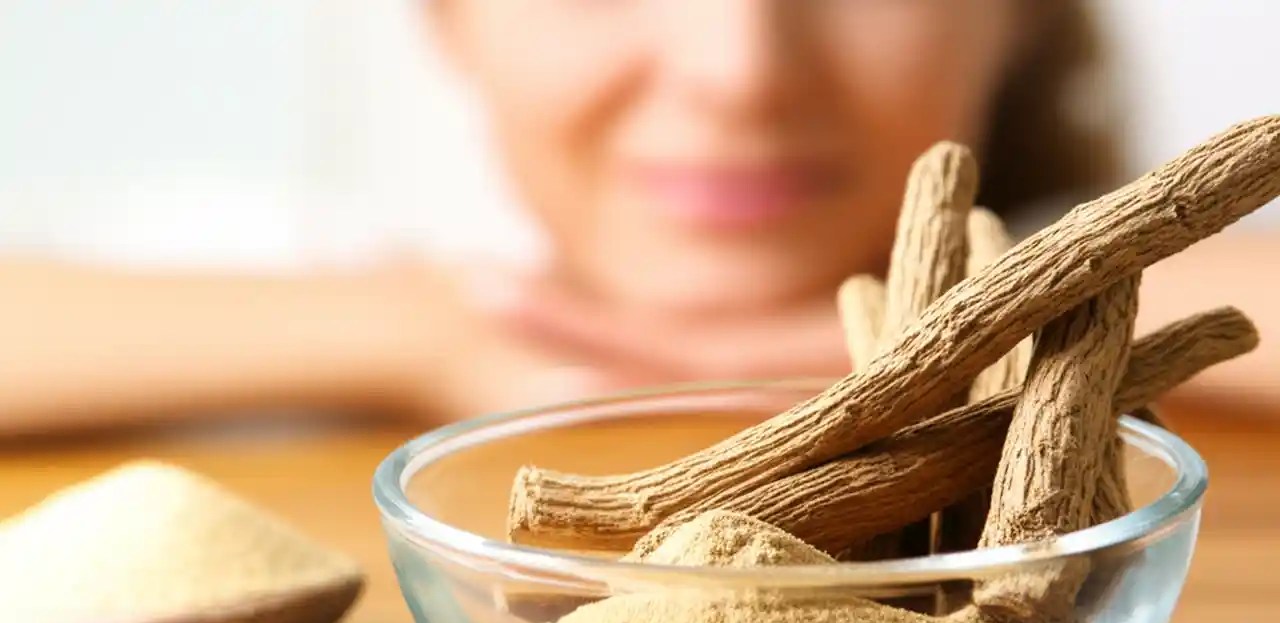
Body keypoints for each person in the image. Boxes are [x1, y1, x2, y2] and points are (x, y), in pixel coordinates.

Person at [1, 0, 1275, 436]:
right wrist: (431, 339)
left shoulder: (1099, 258)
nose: (739, 71)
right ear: (447, 19)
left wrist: (968, 328)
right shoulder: (349, 267)